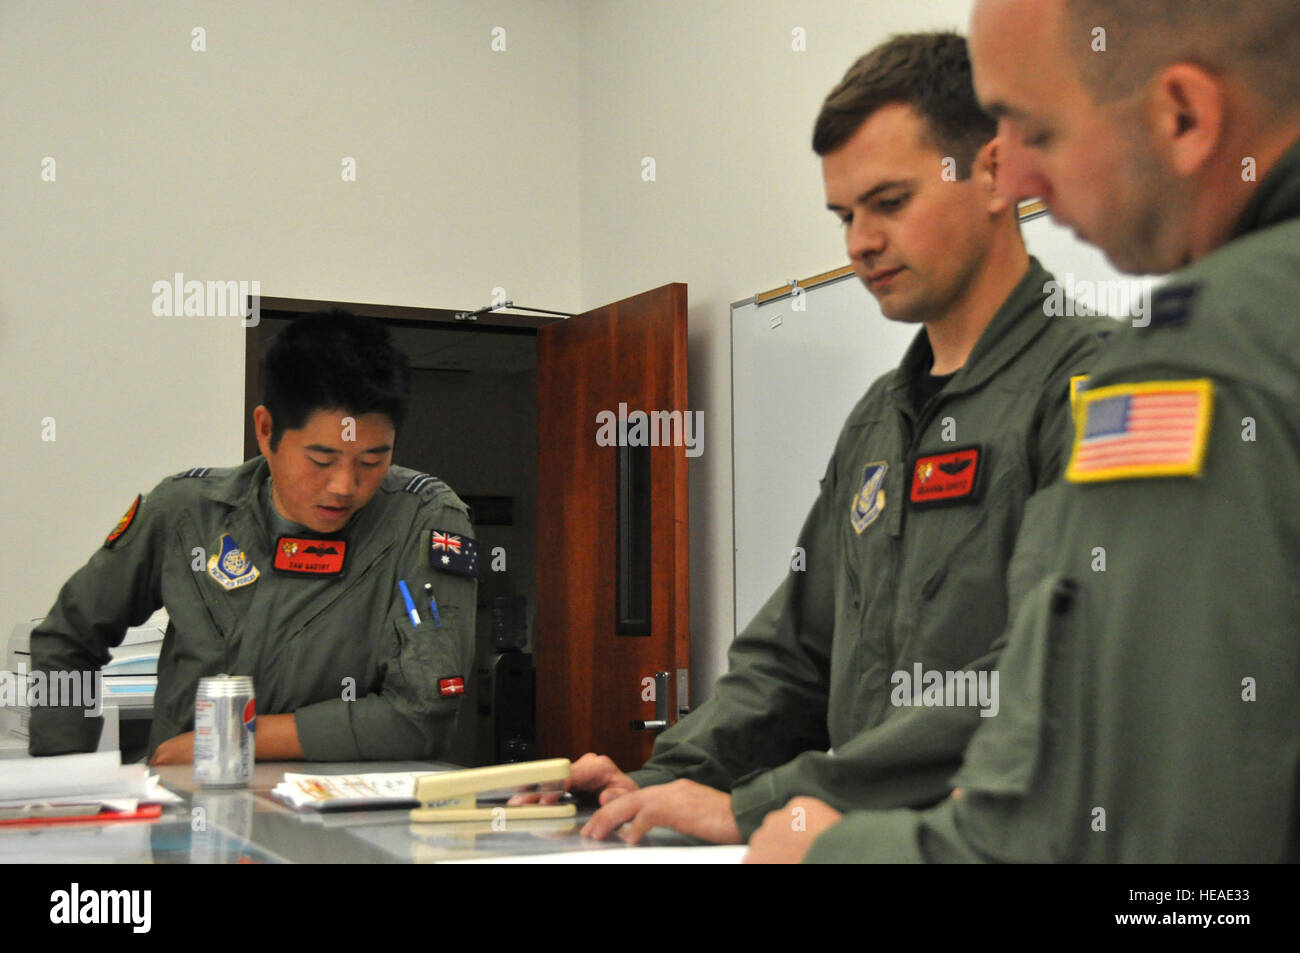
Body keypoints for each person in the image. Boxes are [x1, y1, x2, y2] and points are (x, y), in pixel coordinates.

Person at [748, 0, 1300, 863]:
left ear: (1185, 115)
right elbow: (792, 651)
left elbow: (1171, 861)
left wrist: (824, 849)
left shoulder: (1189, 365)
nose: (1023, 181)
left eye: (1040, 135)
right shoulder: (877, 419)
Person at [538, 33, 1113, 844]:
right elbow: (793, 657)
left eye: (889, 202)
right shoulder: (880, 417)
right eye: (846, 215)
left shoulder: (1097, 385)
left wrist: (764, 800)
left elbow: (1044, 674)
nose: (858, 243)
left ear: (992, 172)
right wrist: (665, 777)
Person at [28, 310, 479, 764]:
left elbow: (423, 715)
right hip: (188, 816)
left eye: (371, 460)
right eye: (321, 460)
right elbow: (67, 639)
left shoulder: (423, 519)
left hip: (343, 820)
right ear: (266, 431)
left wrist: (231, 739)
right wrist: (68, 778)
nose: (344, 485)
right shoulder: (188, 513)